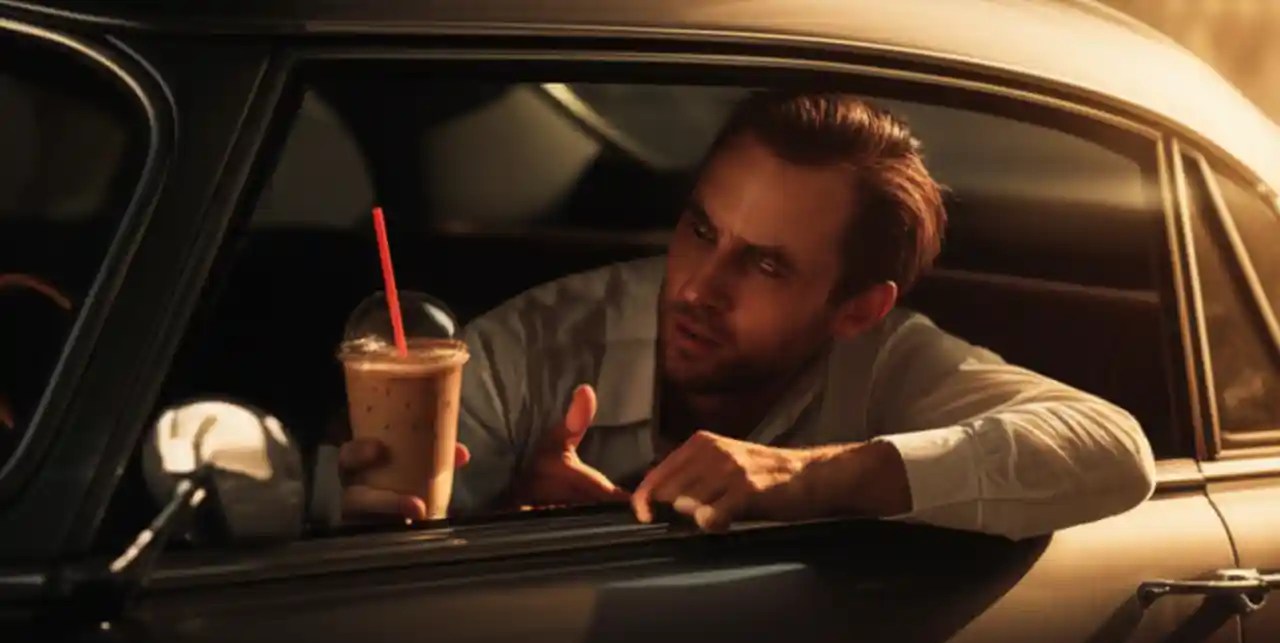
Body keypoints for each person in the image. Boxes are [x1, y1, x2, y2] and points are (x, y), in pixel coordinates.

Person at [337, 91, 1156, 541]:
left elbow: (1115, 450)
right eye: (701, 230)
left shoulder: (892, 359)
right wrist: (491, 528)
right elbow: (377, 574)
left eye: (765, 264)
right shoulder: (530, 347)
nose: (697, 286)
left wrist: (805, 477)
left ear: (859, 309)